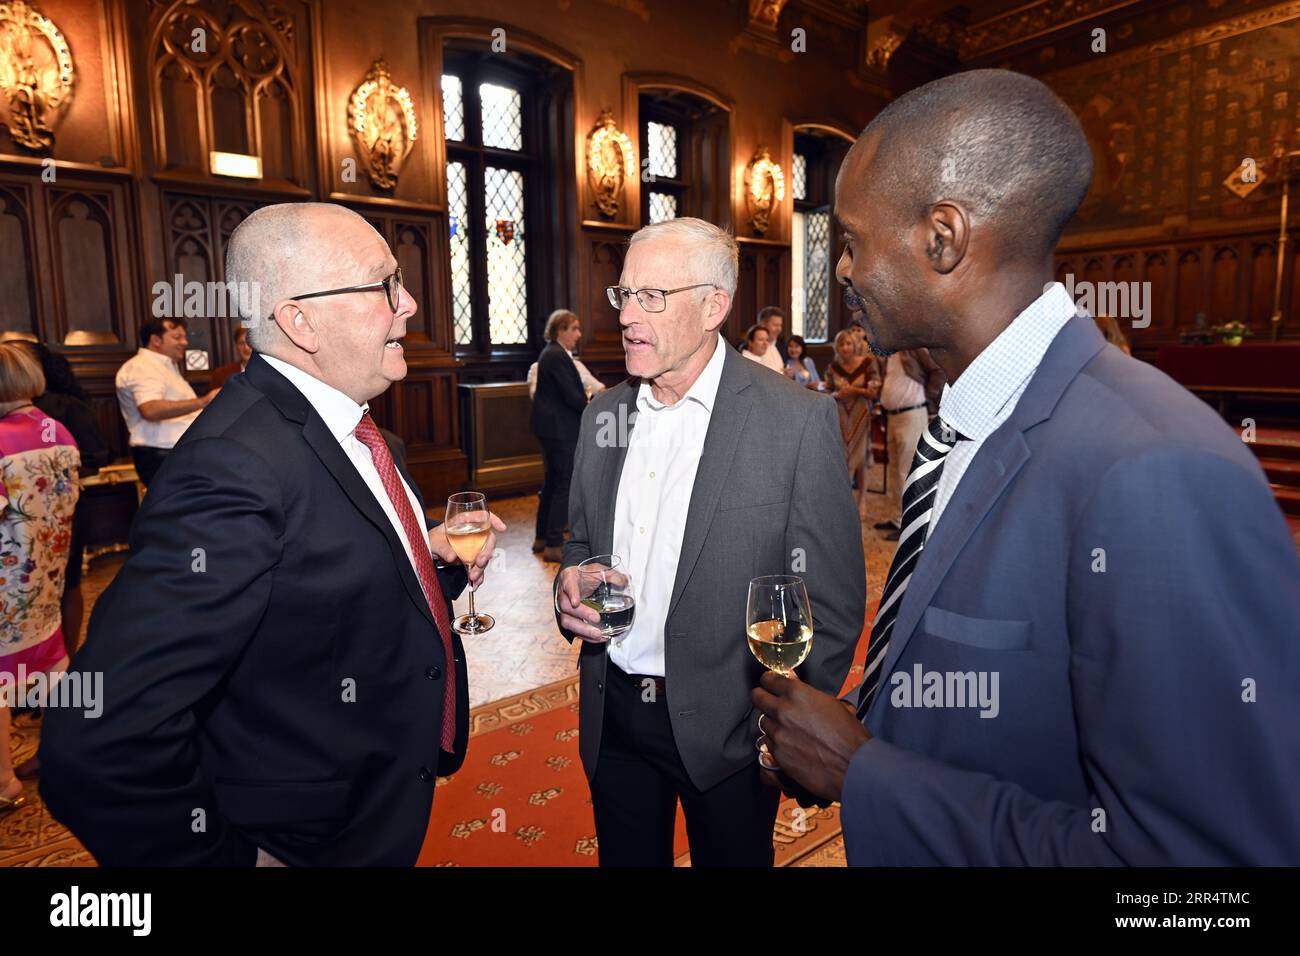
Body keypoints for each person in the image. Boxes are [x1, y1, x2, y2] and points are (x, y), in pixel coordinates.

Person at [753, 69, 1300, 865]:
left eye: (851, 240)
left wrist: (866, 773)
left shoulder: (1155, 469)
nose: (841, 271)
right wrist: (870, 740)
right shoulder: (969, 423)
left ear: (942, 238)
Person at [39, 202, 506, 866]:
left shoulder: (368, 435)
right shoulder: (232, 467)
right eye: (385, 285)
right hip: (305, 833)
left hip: (374, 805)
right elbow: (97, 737)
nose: (409, 304)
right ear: (300, 319)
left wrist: (425, 554)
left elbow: (326, 585)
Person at [553, 217, 865, 867]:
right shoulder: (604, 414)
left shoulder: (796, 421)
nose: (628, 316)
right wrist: (569, 583)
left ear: (713, 307)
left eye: (652, 298)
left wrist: (773, 732)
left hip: (730, 732)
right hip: (613, 716)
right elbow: (582, 541)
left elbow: (830, 606)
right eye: (623, 296)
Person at [0, 343, 80, 812]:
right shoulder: (59, 432)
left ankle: (5, 781)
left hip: (8, 580)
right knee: (51, 668)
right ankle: (65, 756)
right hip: (47, 573)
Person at [26, 342, 112, 656]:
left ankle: (66, 659)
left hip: (64, 510)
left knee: (67, 583)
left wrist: (48, 480)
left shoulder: (66, 408)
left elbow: (96, 455)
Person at [114, 317, 219, 486]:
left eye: (184, 337)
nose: (185, 342)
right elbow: (150, 409)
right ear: (156, 340)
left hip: (176, 453)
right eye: (177, 337)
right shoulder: (143, 366)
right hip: (162, 455)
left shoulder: (164, 366)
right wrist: (203, 401)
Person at [530, 309, 587, 562]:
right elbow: (573, 397)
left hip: (551, 430)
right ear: (560, 330)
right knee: (563, 483)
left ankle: (542, 537)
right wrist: (590, 402)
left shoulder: (551, 353)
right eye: (573, 328)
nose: (578, 334)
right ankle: (554, 543)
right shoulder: (556, 355)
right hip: (560, 431)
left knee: (552, 482)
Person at [874, 348, 944, 540]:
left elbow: (938, 371)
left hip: (911, 414)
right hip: (892, 416)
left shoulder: (914, 350)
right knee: (895, 470)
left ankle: (907, 525)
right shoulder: (890, 354)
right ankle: (896, 518)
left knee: (906, 471)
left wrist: (926, 396)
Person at [824, 329, 880, 517]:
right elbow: (827, 391)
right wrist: (837, 394)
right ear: (837, 347)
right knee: (844, 459)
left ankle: (861, 499)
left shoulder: (867, 363)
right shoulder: (833, 367)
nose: (845, 347)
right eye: (841, 344)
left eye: (848, 343)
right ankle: (844, 501)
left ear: (855, 345)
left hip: (861, 415)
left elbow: (874, 391)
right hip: (839, 416)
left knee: (860, 458)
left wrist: (854, 390)